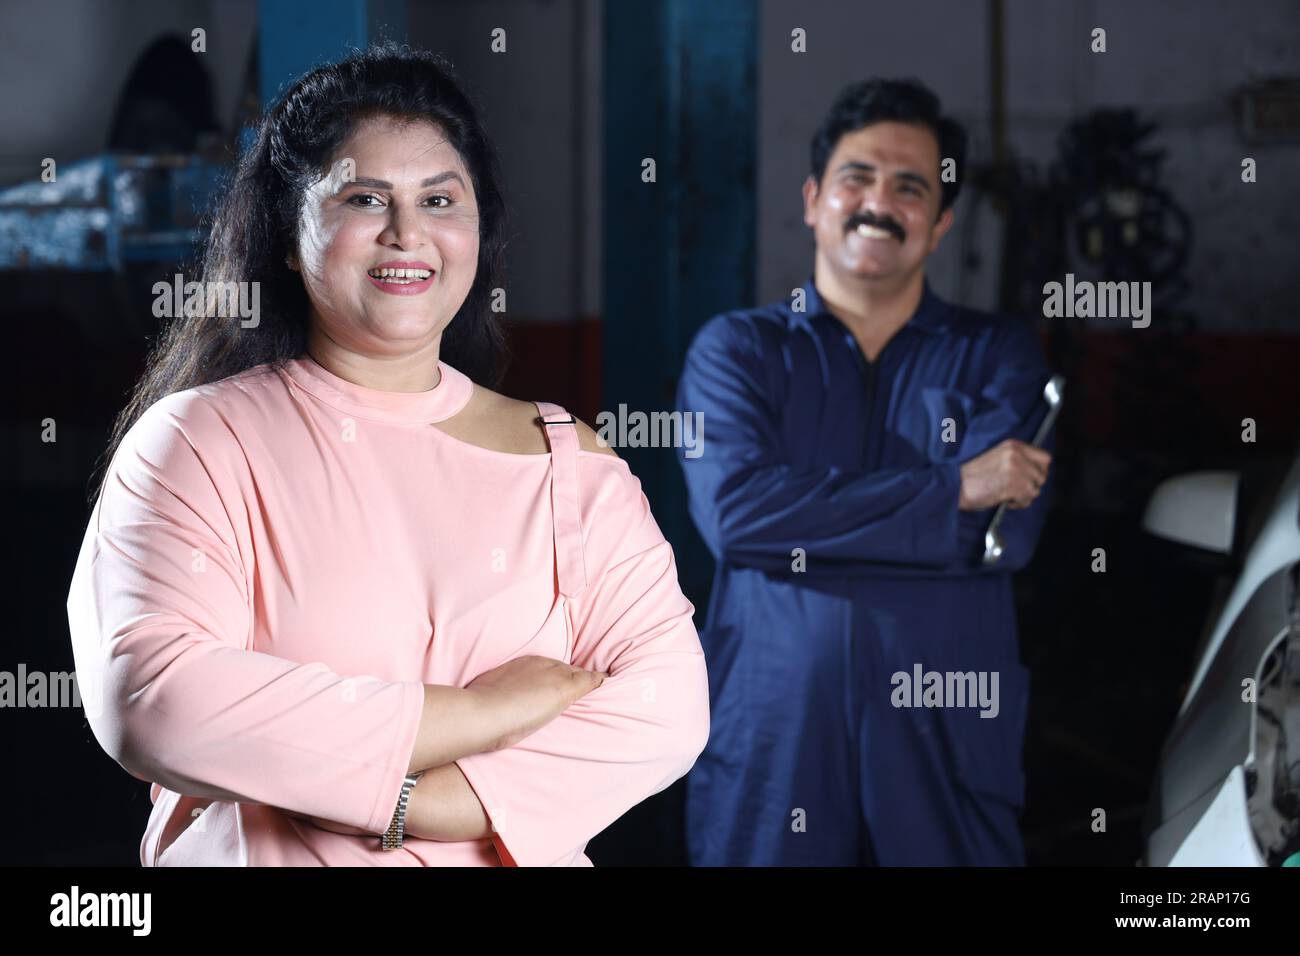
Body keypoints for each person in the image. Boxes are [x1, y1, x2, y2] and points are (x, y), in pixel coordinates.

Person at [66, 43, 709, 867]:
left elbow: (666, 708)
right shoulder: (196, 441)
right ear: (292, 238)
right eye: (365, 197)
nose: (408, 231)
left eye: (440, 198)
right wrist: (481, 714)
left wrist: (427, 804)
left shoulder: (567, 461)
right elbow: (156, 701)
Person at [675, 78, 1054, 866]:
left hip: (945, 733)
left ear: (941, 222)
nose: (879, 202)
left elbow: (999, 536)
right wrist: (952, 487)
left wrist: (808, 517)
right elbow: (738, 518)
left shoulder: (996, 355)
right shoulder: (738, 351)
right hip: (774, 732)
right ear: (814, 199)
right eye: (857, 178)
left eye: (911, 187)